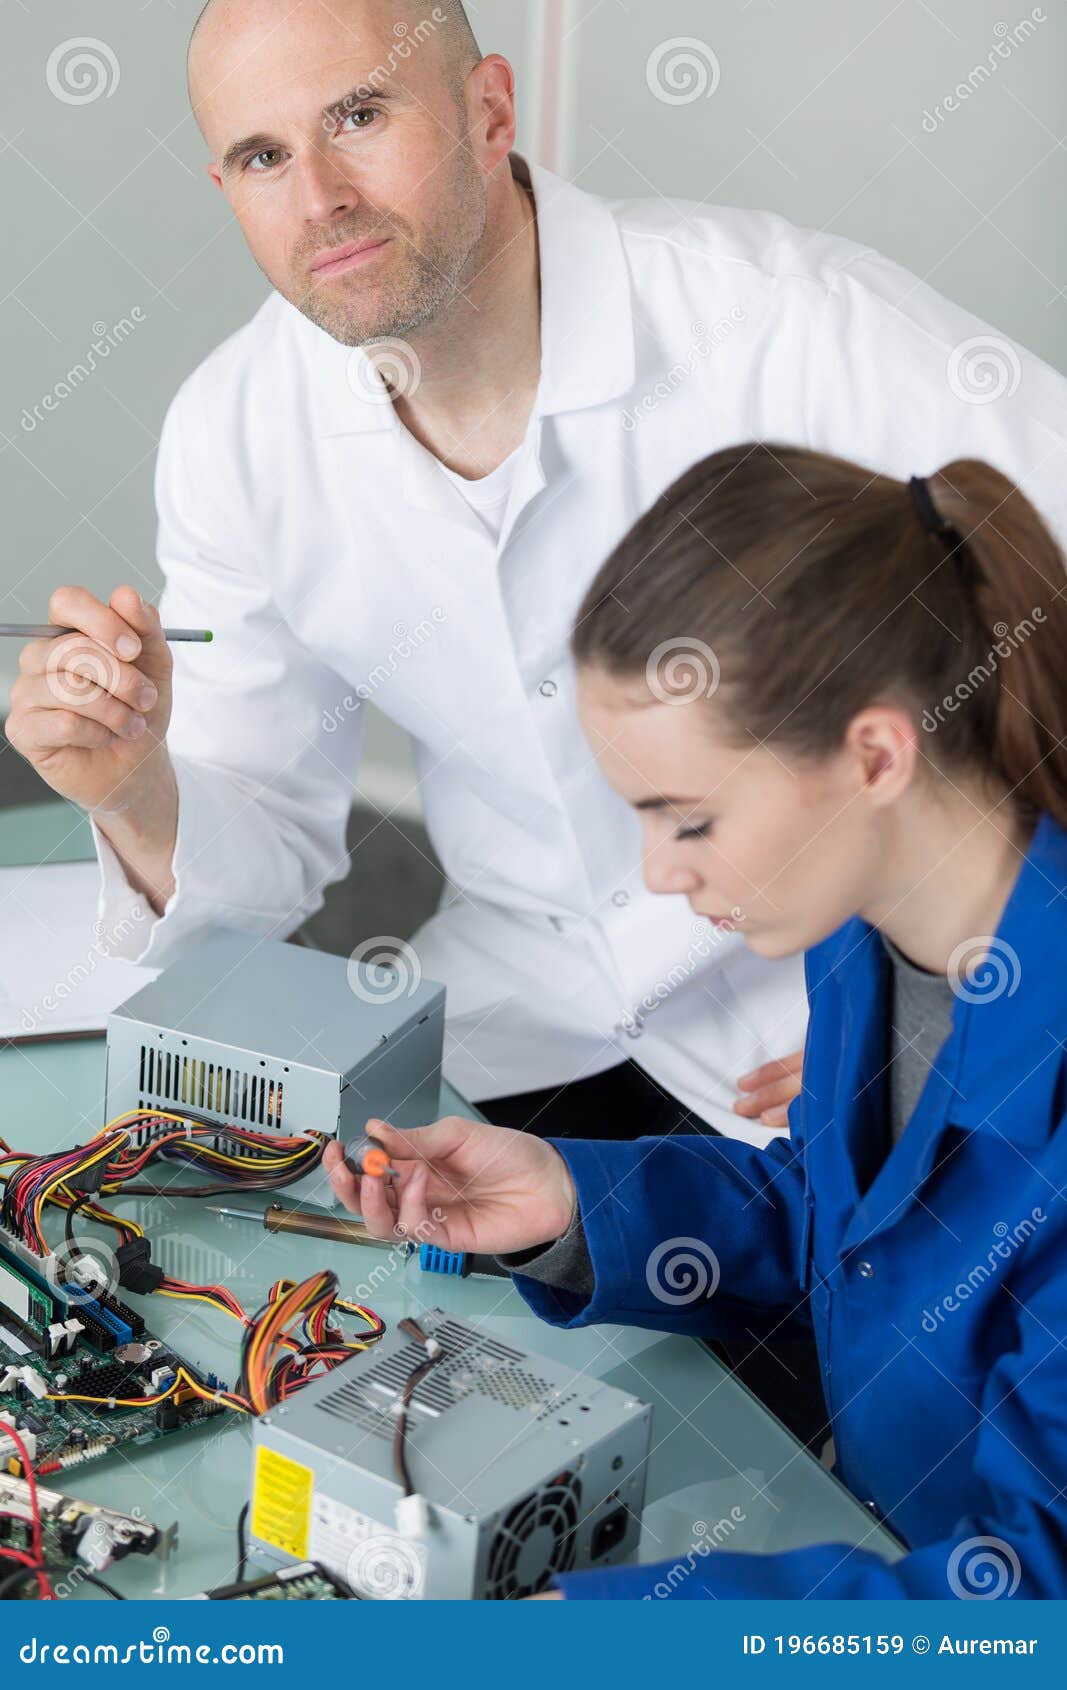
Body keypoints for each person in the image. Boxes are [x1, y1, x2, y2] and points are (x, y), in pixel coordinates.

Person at [6, 0, 1067, 1150]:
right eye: (264, 156)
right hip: (526, 1011)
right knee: (292, 1257)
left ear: (488, 109)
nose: (319, 199)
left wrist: (953, 995)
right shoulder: (236, 429)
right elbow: (263, 847)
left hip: (829, 1009)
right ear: (226, 189)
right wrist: (135, 788)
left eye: (358, 116)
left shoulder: (784, 323)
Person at [324, 443, 1067, 1598]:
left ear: (873, 753)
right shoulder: (861, 934)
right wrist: (573, 1203)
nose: (655, 876)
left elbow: (1028, 1597)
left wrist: (586, 1633)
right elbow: (862, 1239)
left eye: (689, 820)